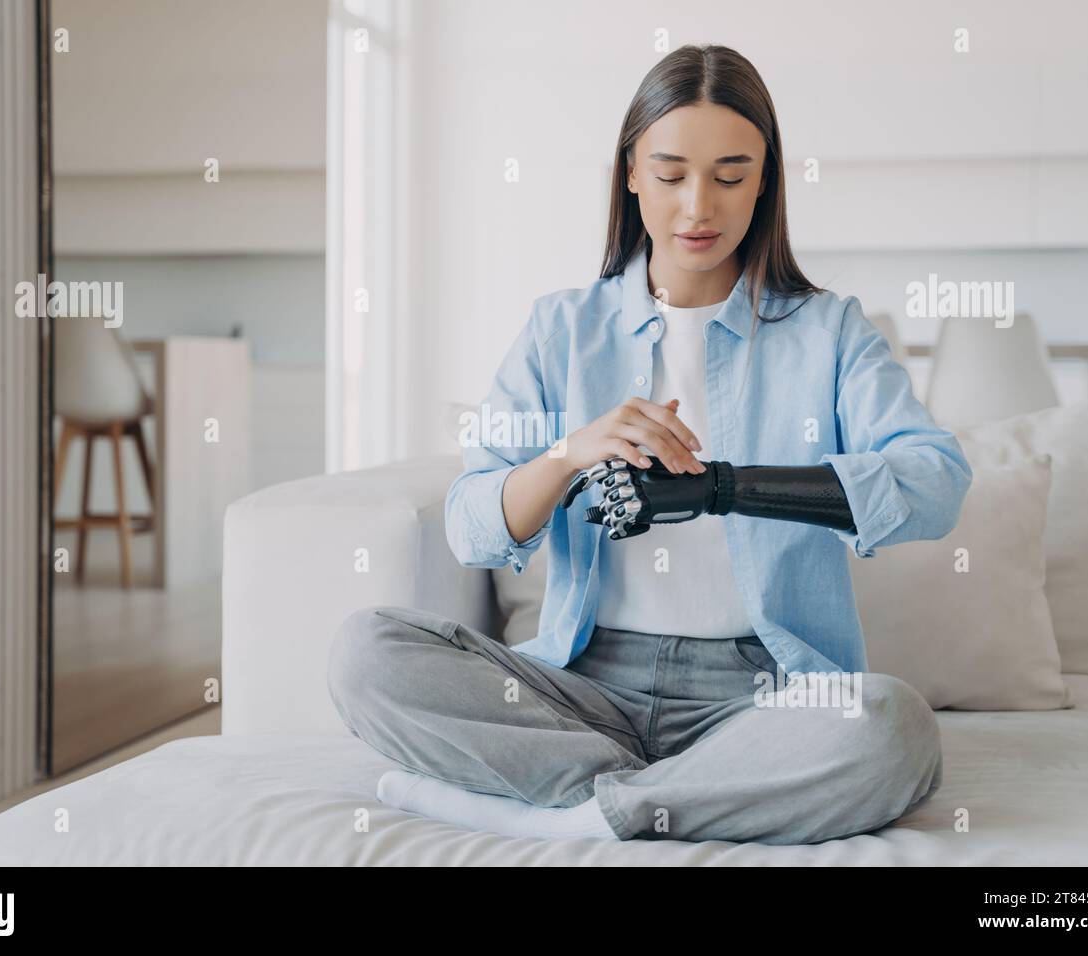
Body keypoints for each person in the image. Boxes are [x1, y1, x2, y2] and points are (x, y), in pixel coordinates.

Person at [326, 43, 972, 844]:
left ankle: (582, 814)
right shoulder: (560, 329)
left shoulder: (830, 332)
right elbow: (470, 525)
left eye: (730, 176)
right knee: (367, 652)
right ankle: (663, 798)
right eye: (670, 175)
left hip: (763, 699)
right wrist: (571, 455)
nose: (698, 206)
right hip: (584, 692)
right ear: (630, 172)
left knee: (890, 727)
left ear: (765, 179)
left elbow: (934, 481)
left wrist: (721, 487)